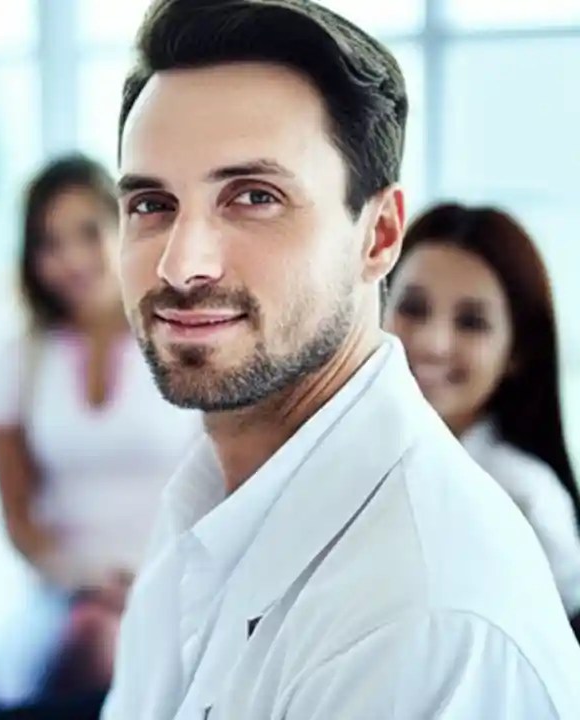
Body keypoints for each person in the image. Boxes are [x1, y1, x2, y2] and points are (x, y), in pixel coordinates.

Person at [103, 1, 580, 718]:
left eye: (253, 197)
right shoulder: (200, 517)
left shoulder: (426, 616)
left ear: (380, 235)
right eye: (151, 204)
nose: (181, 263)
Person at [0, 155, 200, 707]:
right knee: (78, 651)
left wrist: (149, 587)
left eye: (87, 233)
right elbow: (17, 516)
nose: (71, 259)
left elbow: (224, 489)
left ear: (125, 227)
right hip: (66, 593)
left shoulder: (186, 337)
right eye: (49, 244)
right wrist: (83, 582)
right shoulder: (18, 351)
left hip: (180, 586)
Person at [386, 202, 580, 620]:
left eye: (472, 322)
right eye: (412, 308)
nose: (432, 342)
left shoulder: (525, 500)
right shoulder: (333, 459)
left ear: (518, 352)